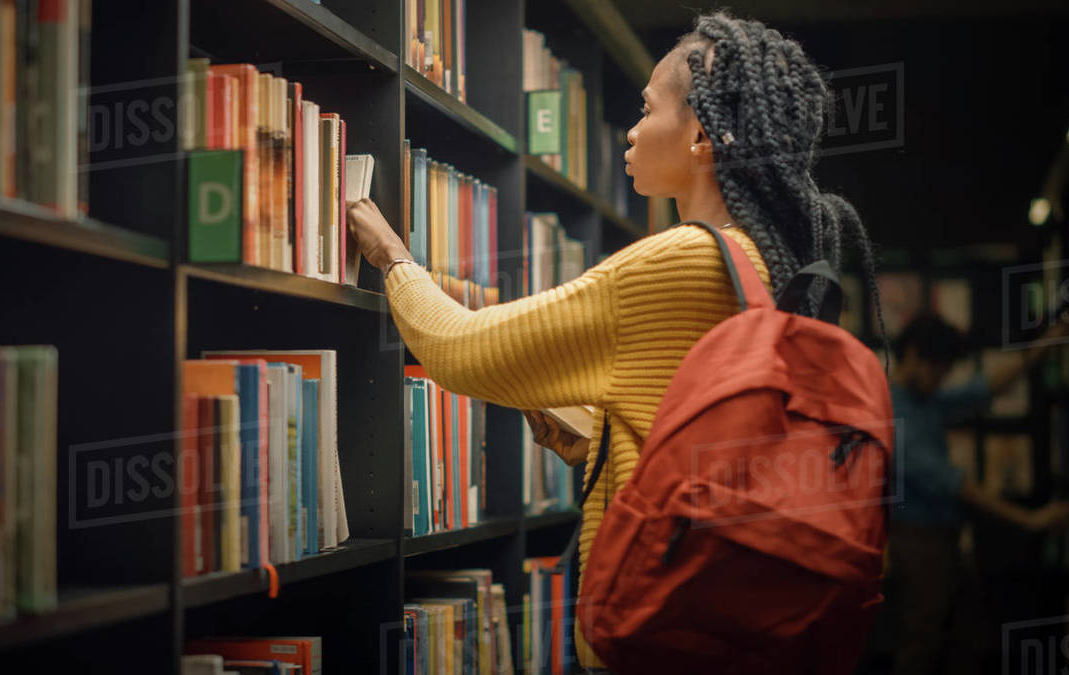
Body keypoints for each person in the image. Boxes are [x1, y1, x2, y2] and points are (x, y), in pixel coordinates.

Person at [348, 12, 886, 672]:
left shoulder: (681, 261)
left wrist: (392, 255)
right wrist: (602, 440)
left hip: (659, 640)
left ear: (699, 134)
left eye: (647, 109)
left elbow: (459, 348)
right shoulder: (772, 264)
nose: (632, 130)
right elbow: (719, 446)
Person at [886, 313, 1069, 675]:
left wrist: (1049, 341)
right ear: (912, 355)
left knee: (966, 636)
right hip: (918, 542)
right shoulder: (894, 411)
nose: (941, 379)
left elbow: (986, 388)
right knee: (923, 642)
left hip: (943, 537)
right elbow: (955, 484)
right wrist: (1030, 519)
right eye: (938, 369)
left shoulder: (924, 399)